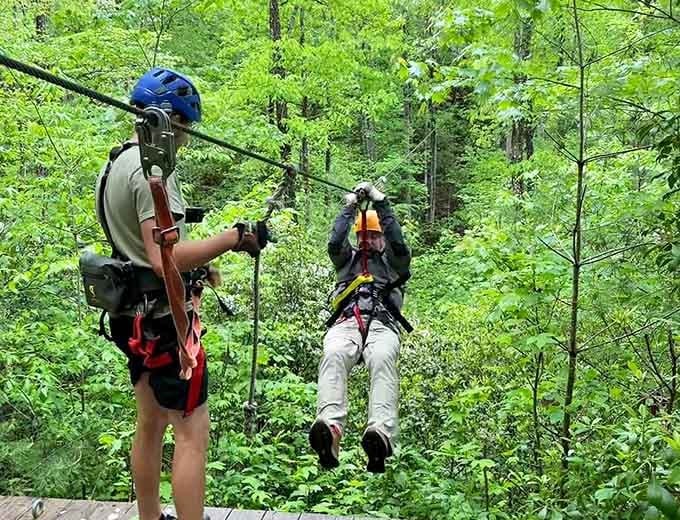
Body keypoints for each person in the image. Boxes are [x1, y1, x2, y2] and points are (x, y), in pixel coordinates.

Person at [95, 68, 268, 520]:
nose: (187, 137)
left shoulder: (114, 163)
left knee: (150, 423)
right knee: (192, 432)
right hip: (162, 324)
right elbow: (161, 258)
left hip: (130, 314)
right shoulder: (154, 173)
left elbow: (142, 250)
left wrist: (199, 267)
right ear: (168, 120)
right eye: (186, 127)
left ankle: (150, 518)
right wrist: (235, 237)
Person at [309, 182, 411, 473]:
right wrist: (349, 206)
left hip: (382, 325)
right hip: (347, 323)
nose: (368, 240)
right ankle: (330, 430)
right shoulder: (347, 261)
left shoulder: (395, 264)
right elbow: (334, 243)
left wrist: (383, 204)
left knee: (381, 359)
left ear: (381, 238)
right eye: (363, 236)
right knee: (333, 352)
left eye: (373, 236)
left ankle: (380, 433)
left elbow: (399, 245)